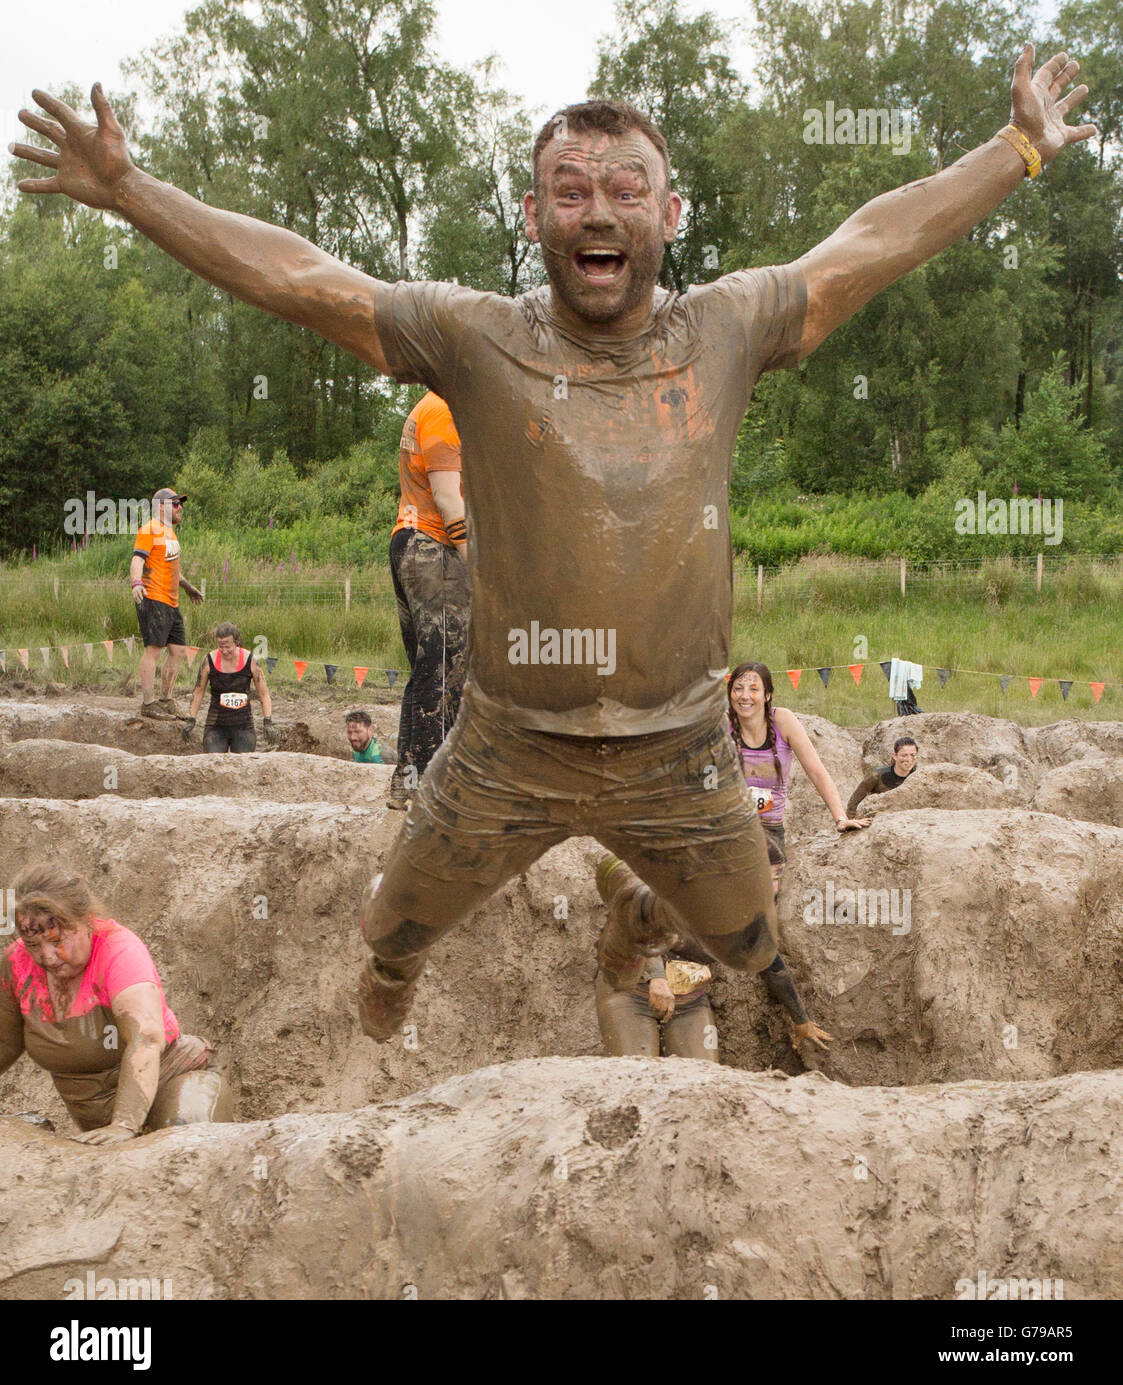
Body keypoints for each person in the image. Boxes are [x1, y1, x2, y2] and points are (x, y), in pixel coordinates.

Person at [10, 54, 1094, 1040]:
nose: (598, 211)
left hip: (677, 748)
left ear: (670, 210)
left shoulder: (727, 327)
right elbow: (299, 275)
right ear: (533, 215)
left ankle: (633, 930)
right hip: (508, 747)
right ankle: (402, 967)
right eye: (571, 191)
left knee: (748, 937)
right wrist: (132, 190)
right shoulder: (475, 336)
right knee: (389, 927)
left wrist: (1017, 150)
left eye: (626, 190)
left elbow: (873, 238)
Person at [0, 864, 233, 1143]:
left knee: (185, 1143)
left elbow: (146, 1038)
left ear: (87, 920)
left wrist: (124, 1123)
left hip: (175, 1082)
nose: (48, 957)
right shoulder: (17, 964)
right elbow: (5, 1044)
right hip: (100, 1116)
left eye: (58, 940)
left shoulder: (118, 950)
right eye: (34, 944)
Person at [595, 837, 830, 1062]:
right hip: (632, 992)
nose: (775, 887)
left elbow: (773, 967)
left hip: (690, 1002)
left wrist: (801, 1020)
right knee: (637, 1075)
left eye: (778, 878)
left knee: (704, 1080)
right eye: (767, 878)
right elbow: (637, 921)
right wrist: (656, 977)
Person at [387, 392, 470, 811]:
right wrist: (477, 562)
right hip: (433, 547)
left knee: (427, 668)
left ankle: (409, 779)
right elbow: (448, 496)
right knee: (442, 670)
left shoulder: (429, 406)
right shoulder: (444, 411)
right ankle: (429, 785)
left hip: (413, 542)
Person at [729, 662, 869, 846]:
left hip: (769, 830)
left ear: (767, 695)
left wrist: (840, 818)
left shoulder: (782, 720)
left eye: (753, 689)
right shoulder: (722, 725)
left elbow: (816, 771)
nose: (744, 696)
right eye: (738, 689)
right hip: (729, 829)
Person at [129, 488, 203, 718]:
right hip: (153, 597)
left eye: (180, 504)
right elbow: (137, 559)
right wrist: (136, 583)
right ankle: (148, 704)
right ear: (161, 506)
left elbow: (172, 570)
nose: (180, 507)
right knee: (154, 650)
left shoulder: (170, 533)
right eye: (175, 504)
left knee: (179, 650)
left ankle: (166, 699)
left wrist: (188, 587)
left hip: (171, 601)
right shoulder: (150, 529)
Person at [181, 622, 277, 752]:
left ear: (236, 642)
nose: (224, 651)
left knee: (244, 762)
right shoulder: (209, 660)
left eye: (228, 647)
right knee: (214, 761)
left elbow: (264, 694)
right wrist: (191, 719)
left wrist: (268, 721)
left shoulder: (251, 660)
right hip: (216, 725)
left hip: (243, 725)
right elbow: (198, 692)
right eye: (221, 647)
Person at [846, 737, 918, 819]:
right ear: (895, 756)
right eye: (904, 755)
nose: (909, 759)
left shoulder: (918, 776)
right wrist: (850, 820)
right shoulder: (877, 775)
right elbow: (854, 801)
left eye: (913, 755)